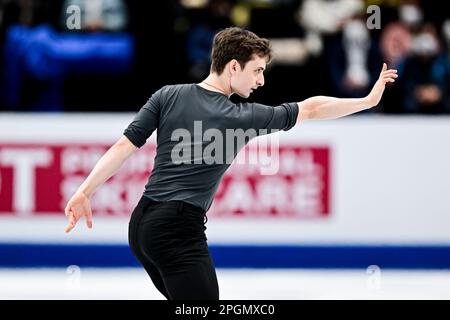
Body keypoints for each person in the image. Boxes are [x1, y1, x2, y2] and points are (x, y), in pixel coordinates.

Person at [64, 27, 397, 300]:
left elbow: (125, 145)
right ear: (233, 66)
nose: (261, 81)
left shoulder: (167, 94)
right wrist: (366, 101)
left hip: (141, 227)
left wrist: (85, 191)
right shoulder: (242, 116)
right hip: (178, 230)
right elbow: (310, 109)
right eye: (257, 70)